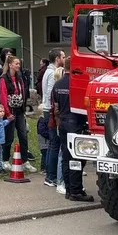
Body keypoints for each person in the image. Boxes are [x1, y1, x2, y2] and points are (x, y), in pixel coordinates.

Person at [52, 70, 94, 202]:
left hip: (63, 122)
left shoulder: (57, 84)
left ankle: (69, 189)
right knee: (77, 158)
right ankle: (76, 190)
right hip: (76, 123)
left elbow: (55, 105)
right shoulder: (78, 83)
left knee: (66, 156)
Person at [0, 55, 35, 170]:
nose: (18, 66)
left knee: (23, 135)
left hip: (19, 111)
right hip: (10, 111)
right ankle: (5, 159)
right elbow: (3, 96)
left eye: (19, 64)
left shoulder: (19, 78)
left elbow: (23, 92)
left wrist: (23, 109)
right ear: (10, 65)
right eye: (16, 63)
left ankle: (25, 161)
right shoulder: (3, 78)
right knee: (9, 137)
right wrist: (7, 113)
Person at [39, 49, 67, 188]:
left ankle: (50, 175)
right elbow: (51, 93)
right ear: (57, 58)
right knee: (55, 144)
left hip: (48, 110)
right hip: (51, 112)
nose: (64, 58)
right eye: (63, 56)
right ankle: (51, 176)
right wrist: (54, 112)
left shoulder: (48, 71)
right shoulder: (52, 73)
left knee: (52, 144)